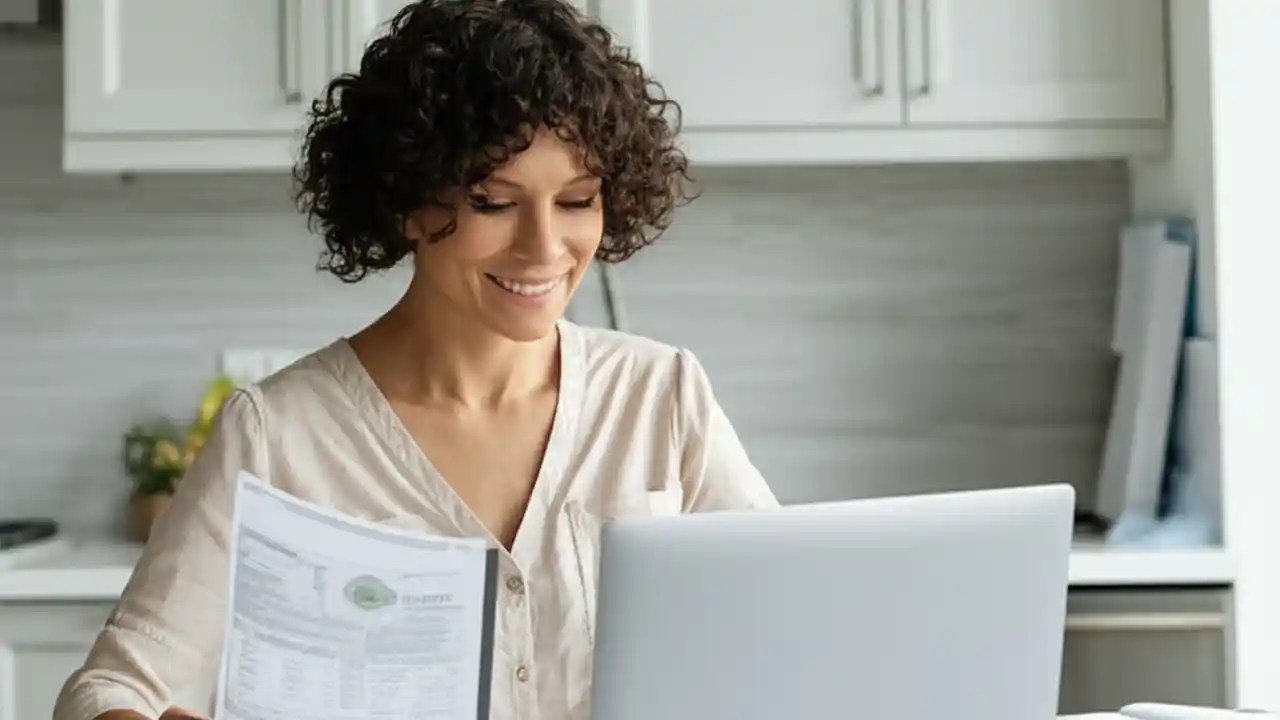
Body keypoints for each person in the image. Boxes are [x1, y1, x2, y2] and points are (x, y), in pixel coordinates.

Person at [53, 0, 778, 718]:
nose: (545, 248)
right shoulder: (279, 435)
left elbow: (788, 619)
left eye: (577, 200)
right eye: (493, 203)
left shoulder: (661, 396)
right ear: (406, 198)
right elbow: (107, 691)